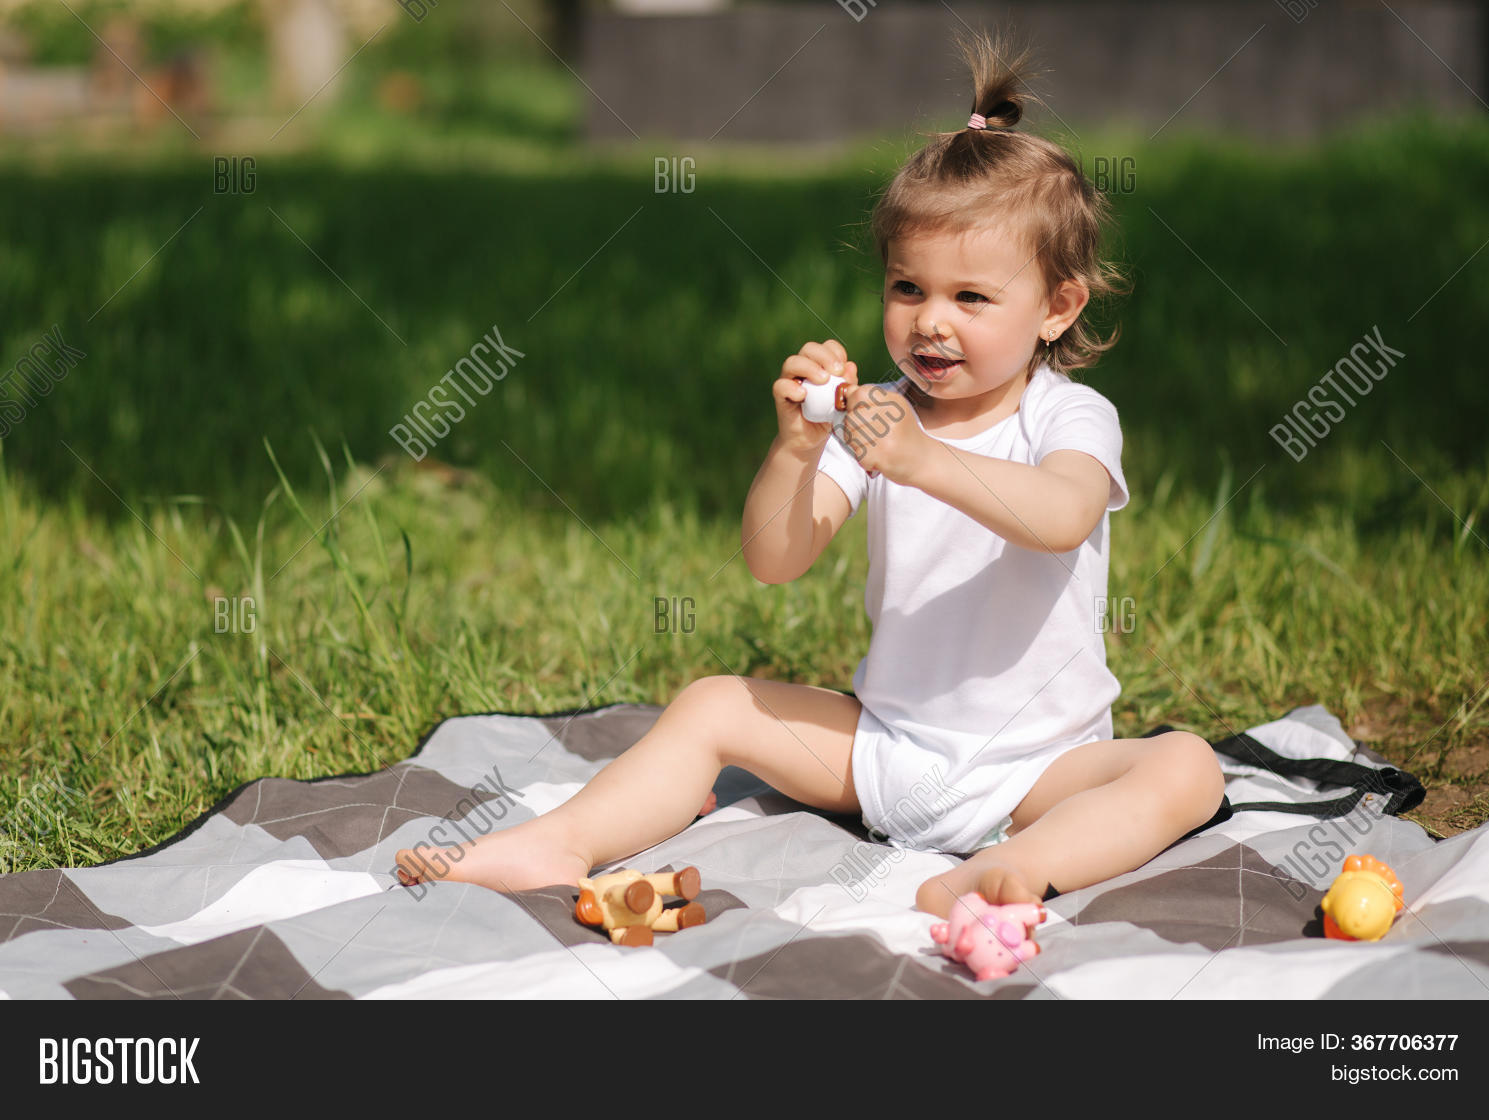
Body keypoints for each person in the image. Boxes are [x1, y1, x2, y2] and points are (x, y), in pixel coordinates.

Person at [395, 29, 1226, 917]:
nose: (931, 323)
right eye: (909, 290)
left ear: (1058, 308)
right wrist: (795, 449)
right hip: (885, 750)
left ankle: (1012, 870)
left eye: (971, 298)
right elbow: (774, 558)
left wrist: (924, 459)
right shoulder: (873, 415)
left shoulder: (1067, 415)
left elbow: (1061, 515)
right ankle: (552, 844)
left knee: (1189, 766)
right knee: (715, 704)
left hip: (1039, 771)